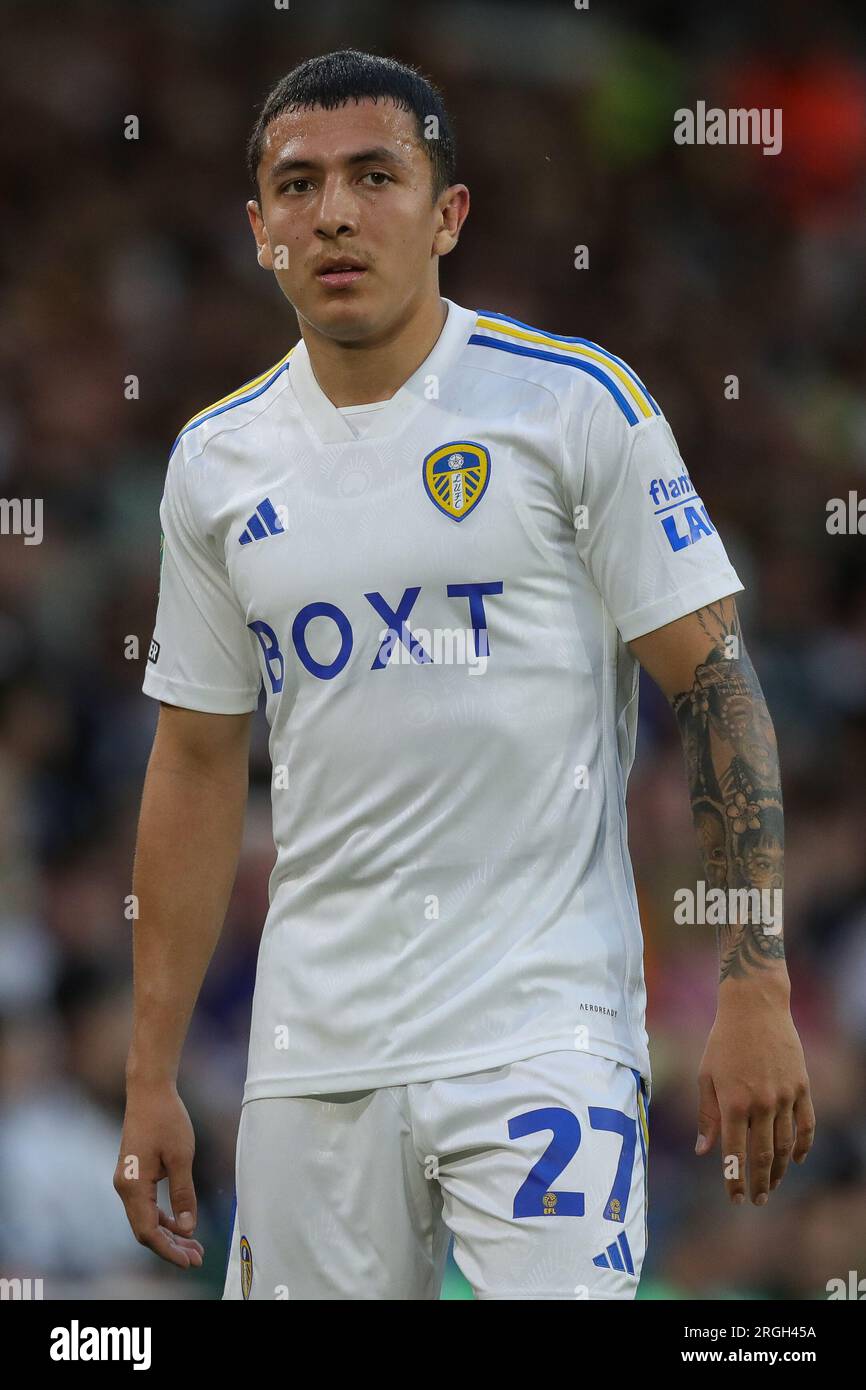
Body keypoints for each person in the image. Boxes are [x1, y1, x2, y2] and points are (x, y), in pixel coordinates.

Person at [115, 49, 814, 1301]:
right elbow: (197, 757)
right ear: (258, 228)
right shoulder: (214, 464)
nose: (332, 212)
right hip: (308, 1054)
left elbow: (712, 684)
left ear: (448, 214)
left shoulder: (570, 405)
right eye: (296, 185)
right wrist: (149, 1071)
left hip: (539, 1035)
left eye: (375, 176)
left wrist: (753, 978)